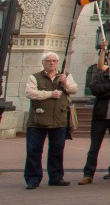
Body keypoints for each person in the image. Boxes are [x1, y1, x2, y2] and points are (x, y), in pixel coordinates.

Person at [24, 52, 78, 189]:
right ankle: (33, 178)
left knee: (57, 150)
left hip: (58, 120)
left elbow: (74, 89)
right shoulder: (34, 77)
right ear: (43, 63)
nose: (52, 63)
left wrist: (65, 82)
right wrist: (50, 94)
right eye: (48, 61)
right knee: (34, 150)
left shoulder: (65, 76)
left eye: (54, 60)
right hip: (38, 120)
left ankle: (56, 177)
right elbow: (30, 93)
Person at [80, 45, 110, 185]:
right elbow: (94, 89)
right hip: (99, 117)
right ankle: (88, 174)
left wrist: (104, 90)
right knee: (94, 147)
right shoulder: (99, 75)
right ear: (107, 59)